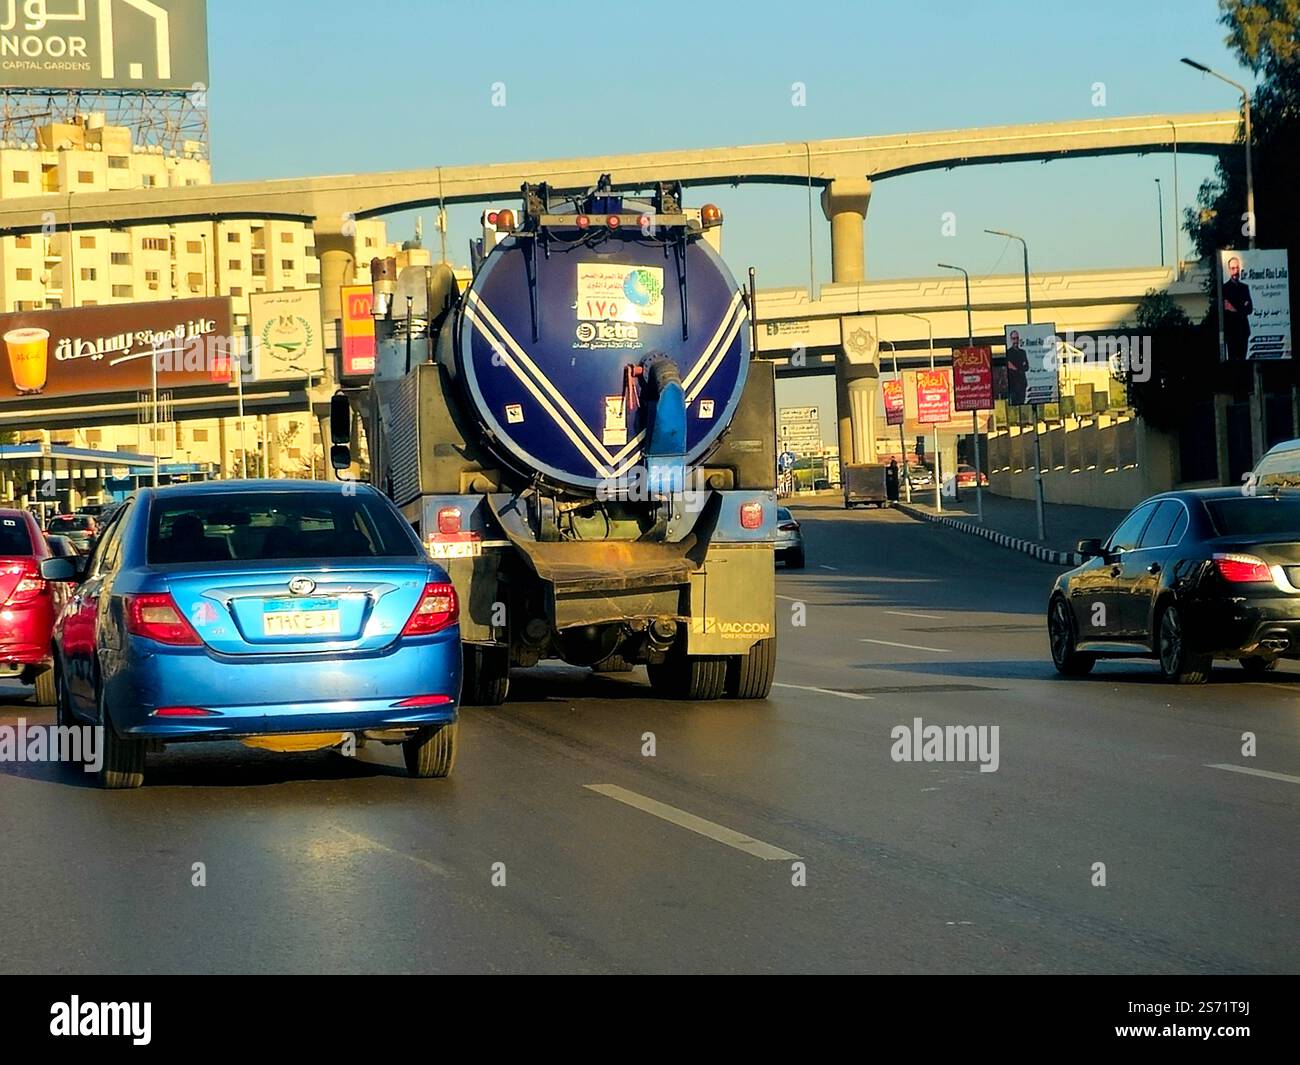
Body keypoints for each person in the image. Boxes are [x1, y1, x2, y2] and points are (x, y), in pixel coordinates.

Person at [1222, 255, 1253, 361]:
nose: (1235, 271)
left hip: (1243, 331)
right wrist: (1241, 307)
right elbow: (1226, 309)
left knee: (1243, 362)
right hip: (1231, 333)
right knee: (1233, 363)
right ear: (1229, 270)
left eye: (1237, 268)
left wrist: (1234, 308)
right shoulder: (1224, 289)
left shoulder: (1244, 288)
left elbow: (1249, 309)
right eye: (1233, 268)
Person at [1005, 330, 1029, 406]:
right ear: (1011, 339)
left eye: (1017, 338)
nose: (1016, 340)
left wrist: (1015, 368)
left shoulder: (1022, 352)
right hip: (1013, 384)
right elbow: (1009, 366)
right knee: (1015, 404)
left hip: (1022, 383)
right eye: (1014, 338)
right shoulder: (1009, 353)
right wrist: (1020, 367)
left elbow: (1026, 367)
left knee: (1023, 403)